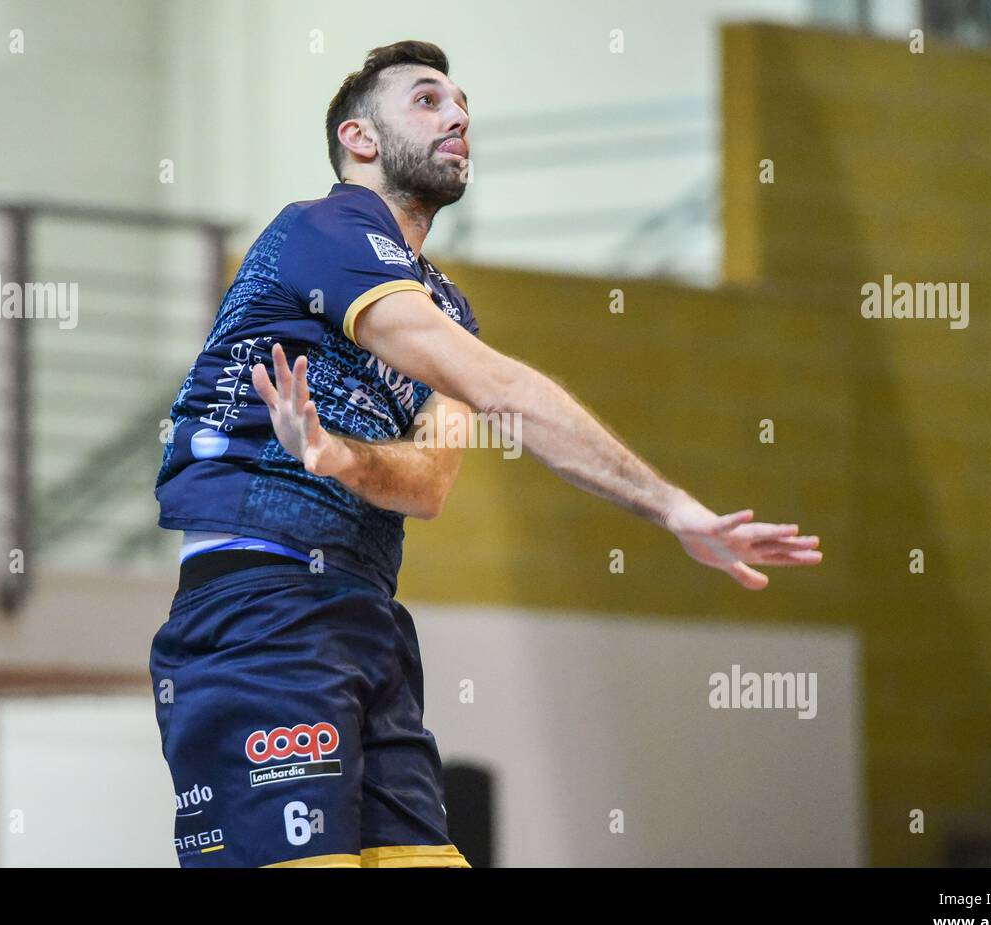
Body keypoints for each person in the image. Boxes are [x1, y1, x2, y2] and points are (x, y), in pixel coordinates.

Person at [150, 40, 821, 868]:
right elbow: (499, 388)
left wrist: (338, 456)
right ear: (359, 139)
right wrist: (671, 506)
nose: (459, 115)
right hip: (258, 607)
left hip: (366, 620)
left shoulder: (450, 310)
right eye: (429, 100)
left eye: (464, 103)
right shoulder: (321, 230)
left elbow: (428, 484)